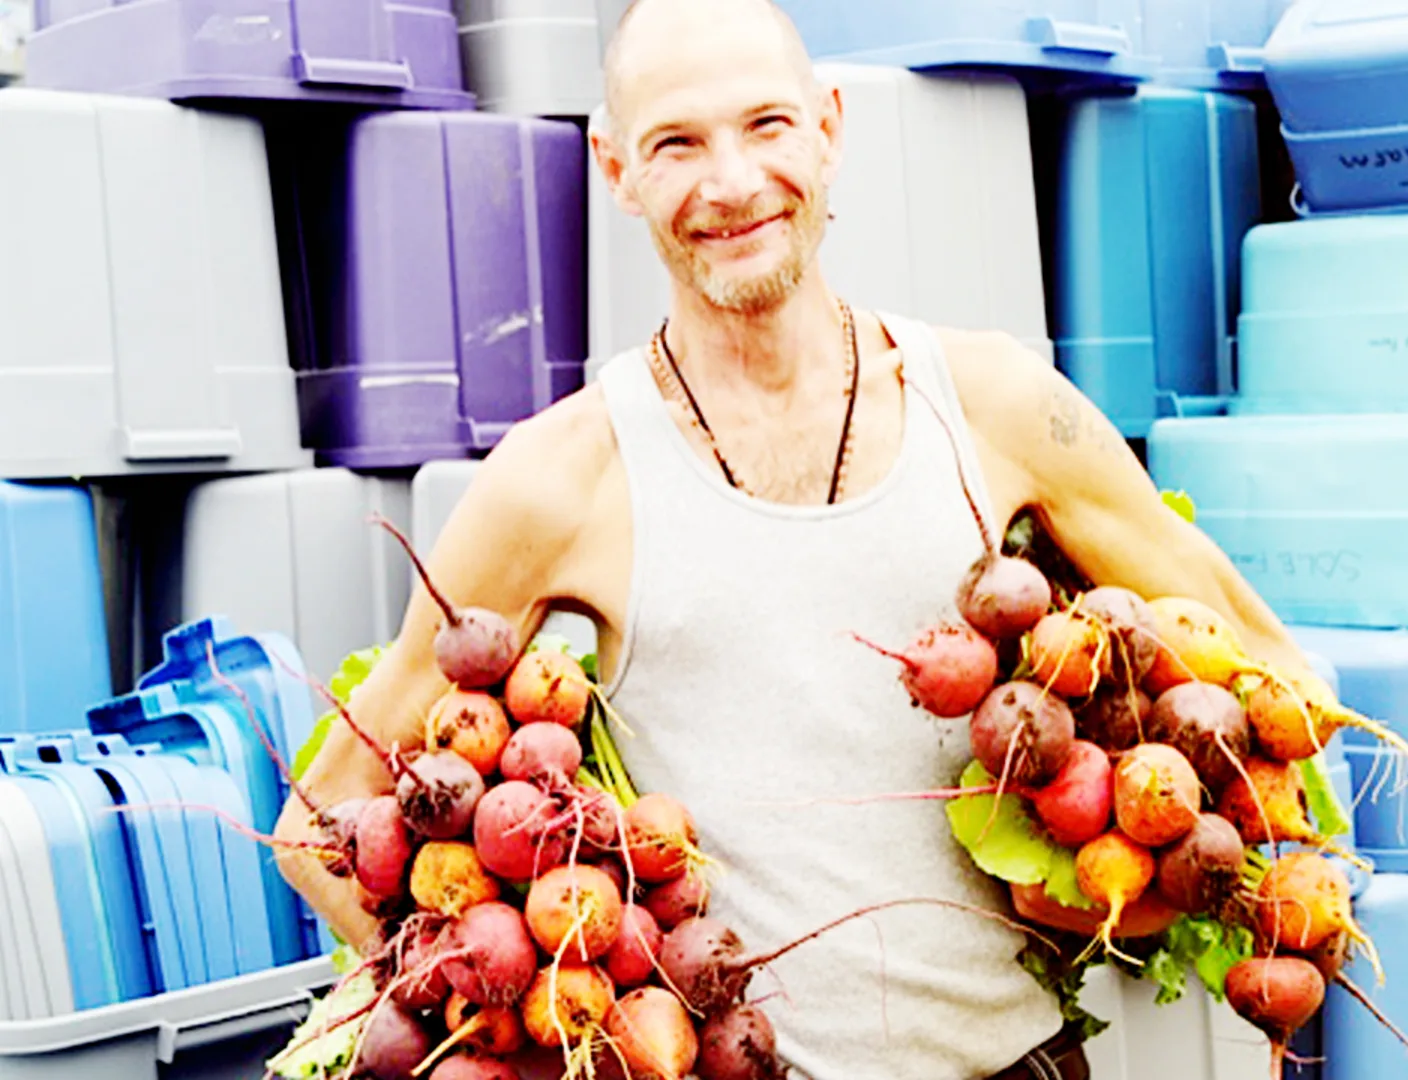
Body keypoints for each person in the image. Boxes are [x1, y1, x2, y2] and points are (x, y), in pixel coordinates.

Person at [272, 0, 1341, 1076]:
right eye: (676, 142)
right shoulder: (562, 481)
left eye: (767, 125)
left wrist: (1130, 882)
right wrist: (514, 1010)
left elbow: (1272, 671)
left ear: (830, 125)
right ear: (614, 165)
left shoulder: (995, 405)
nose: (731, 182)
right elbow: (317, 828)